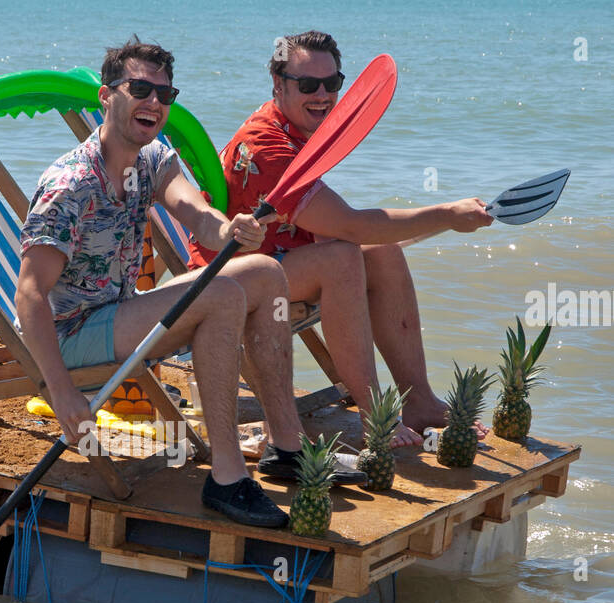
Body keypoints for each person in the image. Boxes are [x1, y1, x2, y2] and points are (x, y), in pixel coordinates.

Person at [14, 38, 366, 532]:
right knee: (220, 295)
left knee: (265, 272)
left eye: (165, 94)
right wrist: (61, 392)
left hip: (119, 314)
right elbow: (29, 295)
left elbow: (198, 215)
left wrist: (229, 231)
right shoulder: (70, 185)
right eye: (140, 89)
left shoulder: (152, 158)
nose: (154, 102)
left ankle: (287, 447)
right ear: (106, 96)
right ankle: (227, 476)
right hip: (69, 337)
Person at [188, 30, 495, 445]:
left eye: (331, 83)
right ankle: (375, 417)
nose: (322, 95)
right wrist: (446, 215)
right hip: (225, 277)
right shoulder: (266, 146)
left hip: (275, 257)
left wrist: (444, 220)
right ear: (278, 84)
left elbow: (349, 227)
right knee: (342, 259)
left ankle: (420, 400)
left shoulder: (293, 125)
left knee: (381, 251)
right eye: (307, 85)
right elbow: (350, 225)